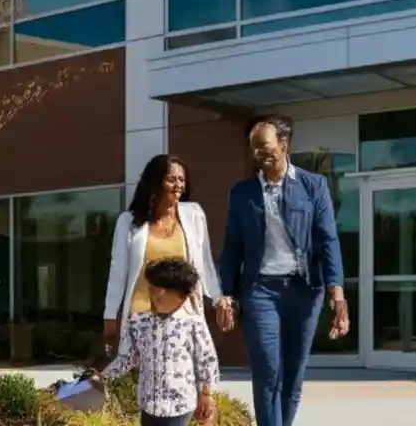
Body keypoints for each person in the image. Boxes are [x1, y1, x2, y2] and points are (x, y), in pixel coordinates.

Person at [214, 115, 349, 426]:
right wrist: (228, 295)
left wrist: (337, 293)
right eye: (253, 147)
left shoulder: (313, 186)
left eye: (265, 145)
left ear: (284, 145)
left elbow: (328, 239)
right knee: (267, 371)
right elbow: (233, 246)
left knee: (292, 377)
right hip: (261, 290)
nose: (259, 152)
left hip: (305, 291)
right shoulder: (242, 192)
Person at [102, 154, 223, 356]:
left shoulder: (194, 215)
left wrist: (218, 297)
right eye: (171, 179)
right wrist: (110, 315)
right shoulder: (129, 222)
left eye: (182, 180)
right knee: (144, 376)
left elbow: (205, 262)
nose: (178, 185)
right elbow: (118, 271)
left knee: (180, 373)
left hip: (182, 314)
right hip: (142, 314)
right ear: (156, 182)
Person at [95, 257, 220, 426]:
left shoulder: (193, 324)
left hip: (180, 405)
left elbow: (206, 360)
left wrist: (206, 394)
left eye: (159, 290)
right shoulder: (139, 323)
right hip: (149, 404)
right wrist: (101, 378)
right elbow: (125, 359)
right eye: (151, 288)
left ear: (182, 294)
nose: (153, 294)